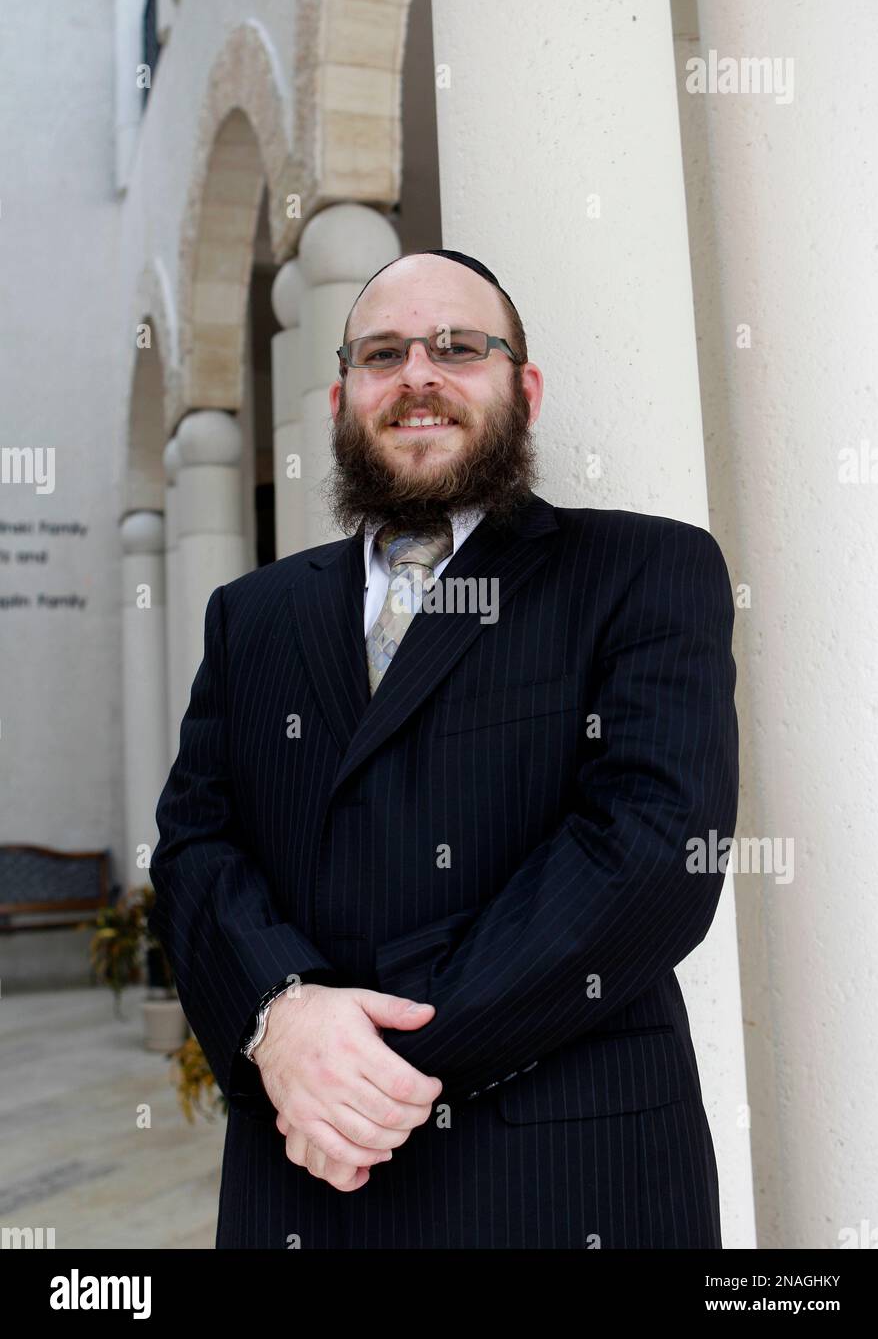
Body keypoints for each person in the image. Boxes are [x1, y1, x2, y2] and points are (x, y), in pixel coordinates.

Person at [149, 248, 739, 1249]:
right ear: (341, 398)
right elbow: (194, 848)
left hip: (562, 1178)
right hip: (300, 1185)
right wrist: (279, 1015)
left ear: (524, 387)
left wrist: (359, 1074)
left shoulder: (643, 570)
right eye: (383, 353)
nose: (417, 374)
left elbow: (649, 853)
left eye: (459, 347)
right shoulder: (251, 616)